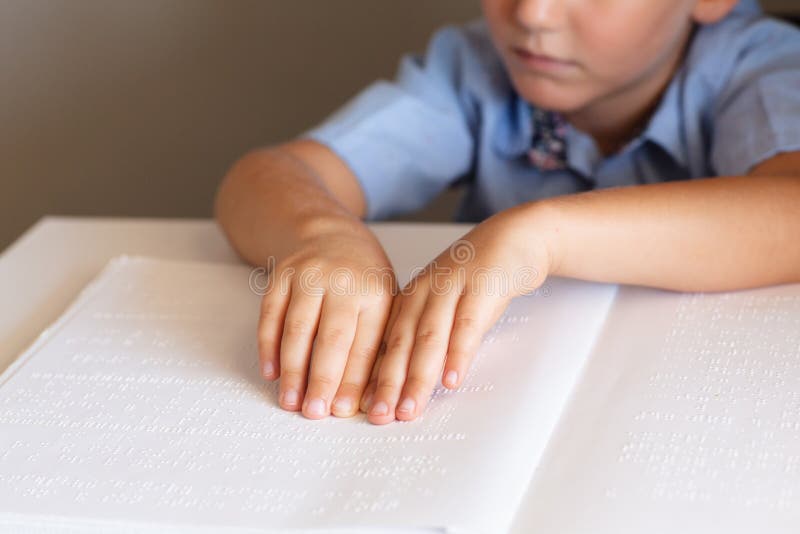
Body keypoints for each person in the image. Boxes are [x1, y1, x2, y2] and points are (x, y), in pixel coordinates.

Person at [214, 0, 800, 426]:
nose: (535, 14)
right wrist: (321, 236)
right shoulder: (474, 69)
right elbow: (262, 178)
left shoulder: (761, 65)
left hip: (690, 410)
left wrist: (543, 236)